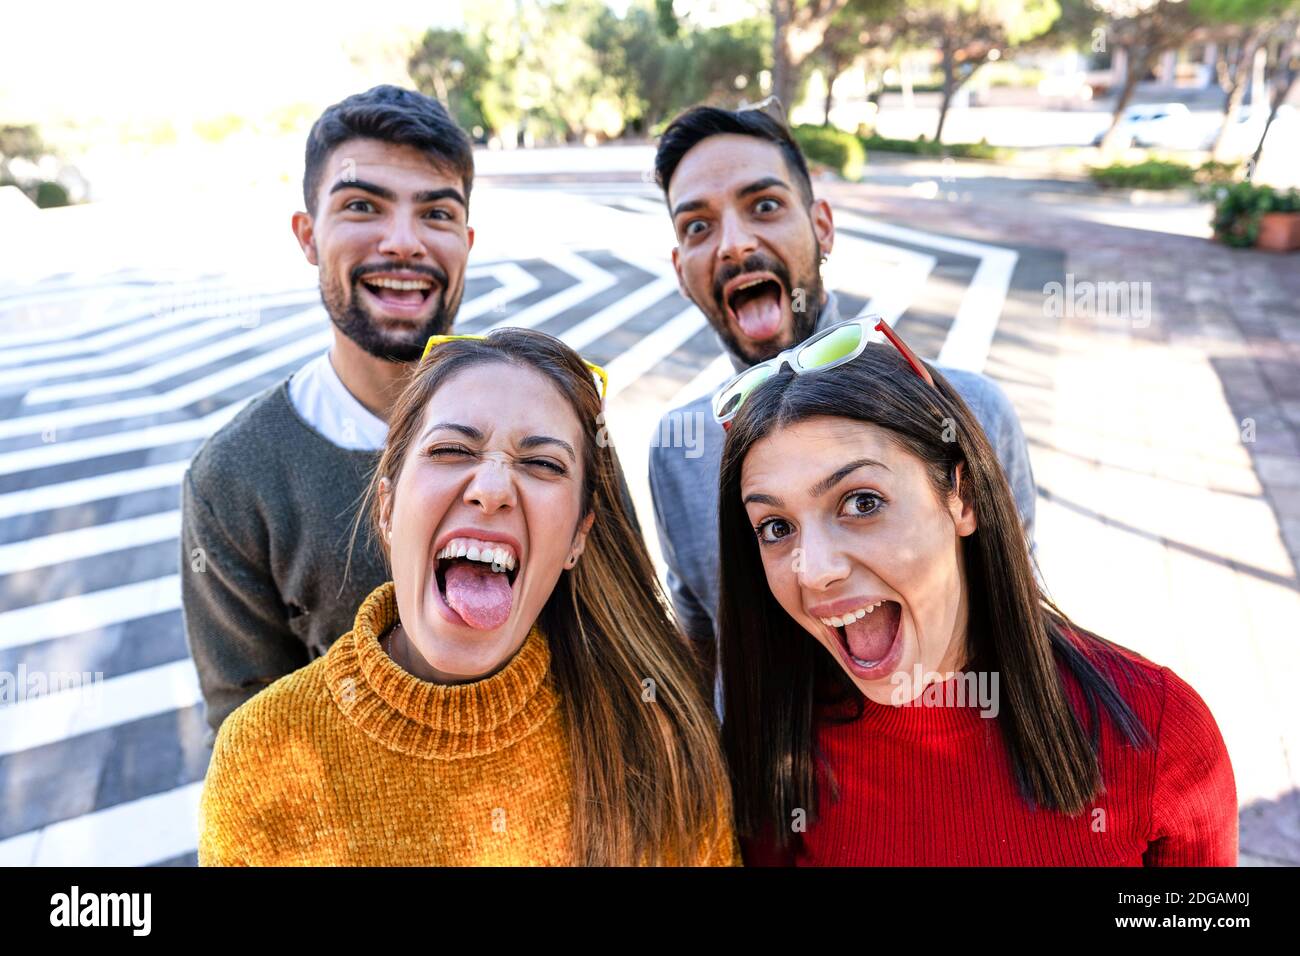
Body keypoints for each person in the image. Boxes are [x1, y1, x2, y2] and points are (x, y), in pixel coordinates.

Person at [198, 329, 737, 866]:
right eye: (452, 450)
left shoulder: (657, 734)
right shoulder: (258, 753)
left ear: (577, 536)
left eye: (544, 463)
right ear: (387, 506)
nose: (493, 488)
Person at [714, 318, 1237, 866]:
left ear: (961, 498)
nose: (814, 570)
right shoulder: (779, 741)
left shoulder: (1160, 732)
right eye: (776, 527)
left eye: (862, 502)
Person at [647, 103, 1037, 692]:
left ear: (822, 226)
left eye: (765, 205)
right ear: (682, 270)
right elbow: (704, 649)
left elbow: (1024, 616)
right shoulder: (676, 452)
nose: (733, 243)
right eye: (697, 226)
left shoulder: (969, 411)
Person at [180, 85, 477, 742]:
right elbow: (251, 749)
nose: (403, 242)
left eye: (436, 214)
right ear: (308, 236)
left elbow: (628, 657)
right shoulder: (233, 481)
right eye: (363, 207)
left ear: (466, 240)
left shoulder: (559, 425)